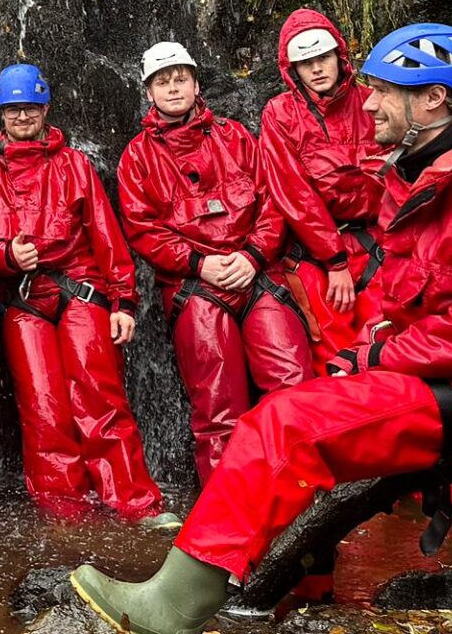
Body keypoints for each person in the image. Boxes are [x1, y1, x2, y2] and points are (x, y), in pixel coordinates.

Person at [70, 24, 452, 634]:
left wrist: (384, 353)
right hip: (440, 377)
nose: (365, 105)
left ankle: (173, 606)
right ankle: (304, 590)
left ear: (433, 99)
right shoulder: (427, 179)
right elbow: (409, 304)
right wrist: (365, 352)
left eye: (384, 92)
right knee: (294, 408)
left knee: (280, 425)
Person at [0, 63, 174, 527]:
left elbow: (106, 234)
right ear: (0, 113)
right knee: (43, 409)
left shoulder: (74, 165)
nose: (23, 116)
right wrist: (3, 256)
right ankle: (66, 511)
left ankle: (135, 503)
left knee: (99, 398)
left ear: (45, 110)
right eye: (14, 108)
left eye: (31, 107)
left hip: (81, 290)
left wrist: (124, 301)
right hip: (23, 300)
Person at [117, 42, 309, 484]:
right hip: (194, 287)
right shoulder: (137, 157)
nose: (173, 87)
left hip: (259, 274)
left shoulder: (237, 136)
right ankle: (228, 512)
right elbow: (142, 229)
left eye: (180, 78)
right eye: (162, 82)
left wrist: (253, 254)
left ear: (196, 83)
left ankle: (308, 499)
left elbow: (272, 203)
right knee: (218, 409)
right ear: (149, 93)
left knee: (293, 385)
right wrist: (197, 262)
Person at [258, 9, 386, 376]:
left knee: (386, 340)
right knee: (335, 354)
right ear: (292, 69)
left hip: (381, 242)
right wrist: (335, 262)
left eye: (323, 58)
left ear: (339, 56)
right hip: (320, 255)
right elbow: (294, 193)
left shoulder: (372, 101)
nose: (316, 68)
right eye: (305, 62)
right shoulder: (280, 114)